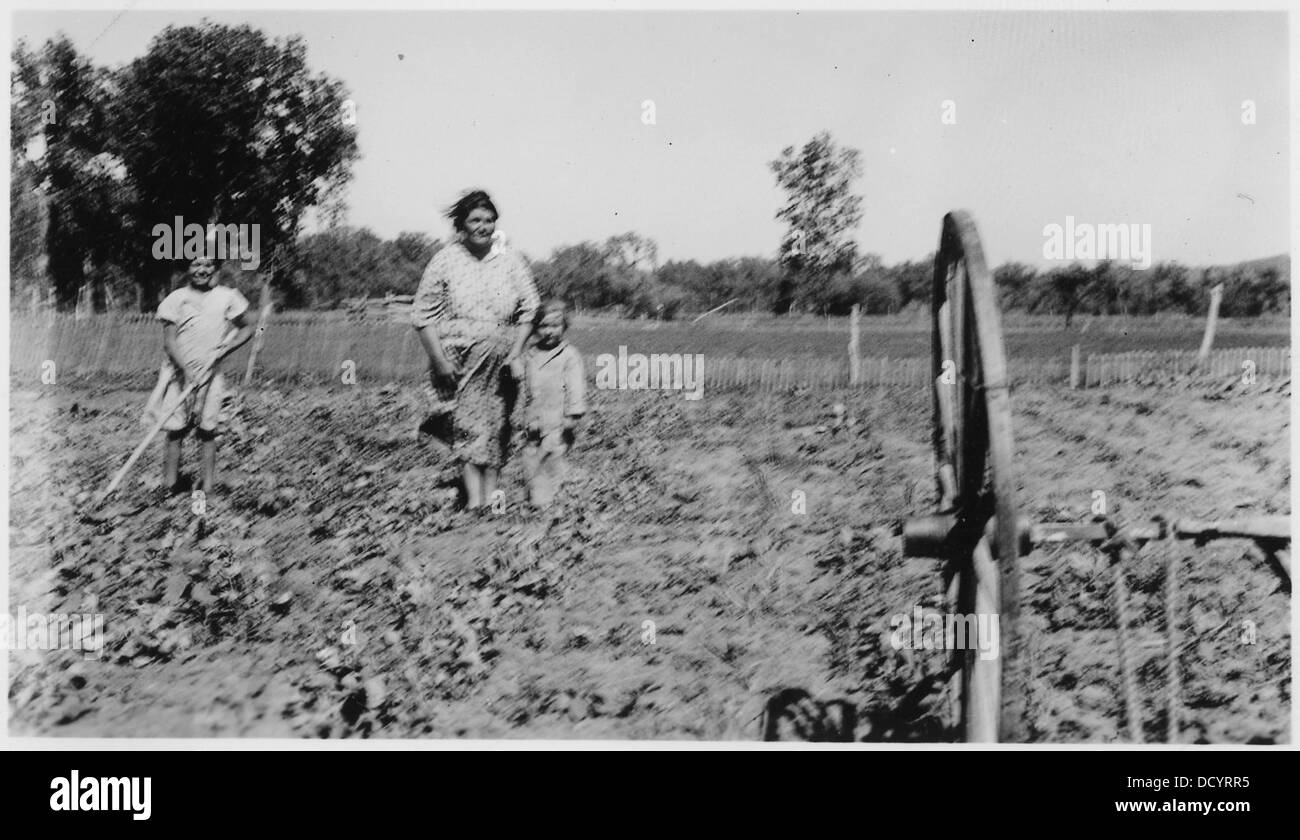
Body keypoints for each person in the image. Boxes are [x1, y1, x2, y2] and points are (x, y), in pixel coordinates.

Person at [411, 190, 539, 510]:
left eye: (489, 220)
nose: (483, 227)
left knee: (498, 426)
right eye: (476, 220)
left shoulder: (510, 260)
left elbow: (531, 309)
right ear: (461, 225)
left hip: (503, 359)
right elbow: (422, 317)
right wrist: (439, 362)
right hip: (457, 359)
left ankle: (493, 505)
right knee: (467, 426)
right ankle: (473, 502)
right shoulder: (446, 260)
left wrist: (516, 352)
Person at [145, 256, 254, 495]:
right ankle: (169, 487)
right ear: (188, 269)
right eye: (196, 264)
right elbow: (170, 341)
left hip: (211, 373)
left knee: (207, 431)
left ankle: (207, 487)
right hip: (178, 372)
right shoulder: (176, 299)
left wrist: (226, 348)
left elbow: (247, 327)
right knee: (175, 430)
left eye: (208, 265)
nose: (202, 270)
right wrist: (185, 370)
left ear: (215, 268)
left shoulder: (227, 296)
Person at [520, 299, 586, 507]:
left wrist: (572, 416)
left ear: (564, 327)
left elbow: (576, 388)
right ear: (536, 328)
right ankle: (534, 500)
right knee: (530, 458)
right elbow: (523, 387)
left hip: (558, 420)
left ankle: (553, 503)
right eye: (544, 326)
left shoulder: (568, 356)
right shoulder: (530, 355)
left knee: (553, 460)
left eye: (555, 326)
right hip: (533, 420)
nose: (549, 331)